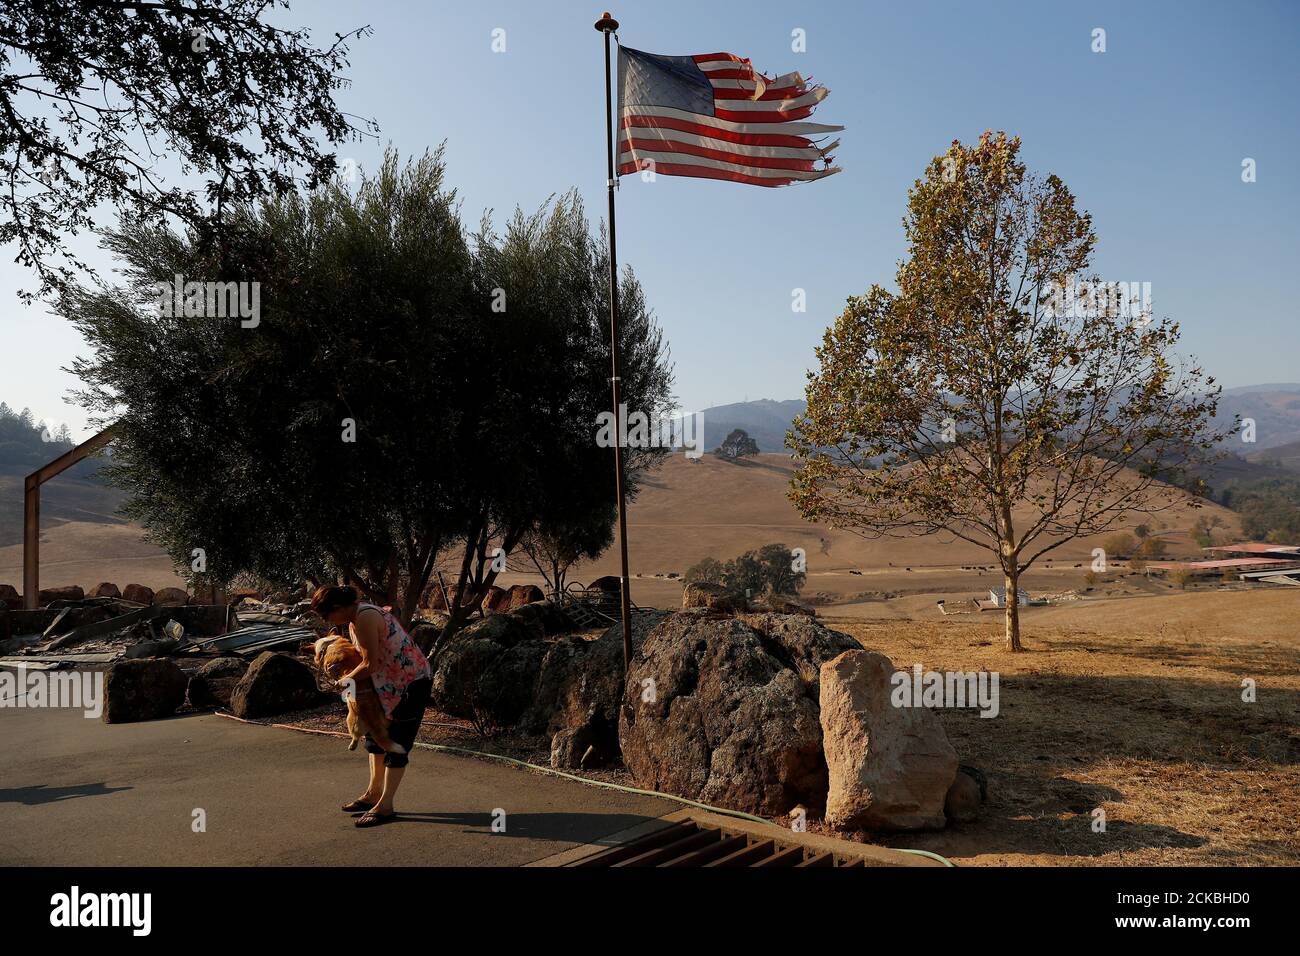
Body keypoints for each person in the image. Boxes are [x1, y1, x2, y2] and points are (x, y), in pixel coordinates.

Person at [310, 584, 432, 828]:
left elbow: (370, 664)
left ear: (337, 608)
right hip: (387, 685)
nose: (327, 621)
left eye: (326, 615)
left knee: (397, 742)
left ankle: (385, 805)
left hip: (409, 684)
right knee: (375, 738)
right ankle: (373, 793)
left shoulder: (365, 617)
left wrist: (343, 681)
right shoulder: (356, 618)